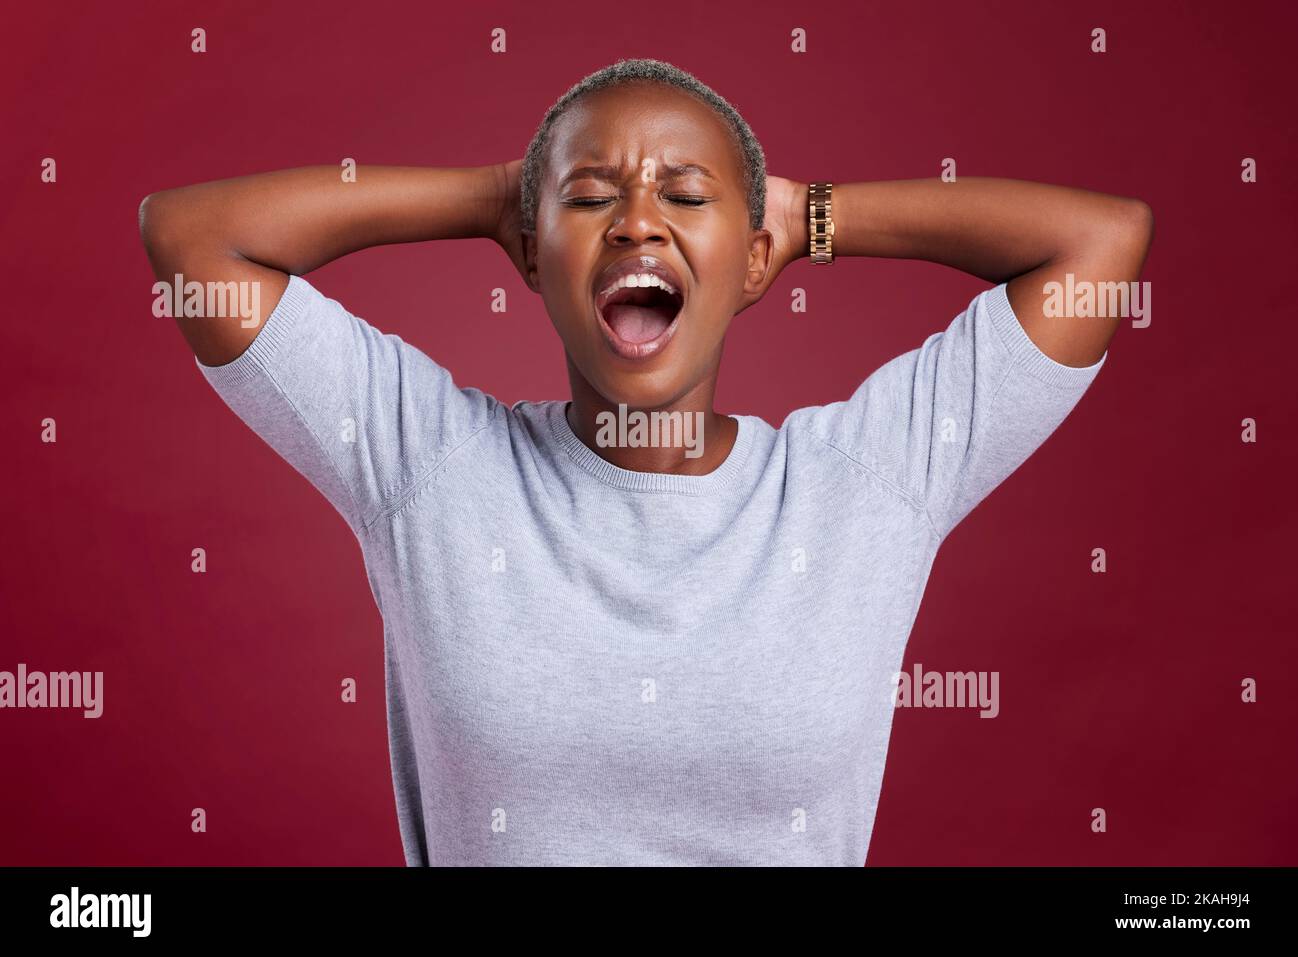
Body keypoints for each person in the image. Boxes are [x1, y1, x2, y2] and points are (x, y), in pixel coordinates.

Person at [137, 57, 1153, 866]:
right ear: (532, 253)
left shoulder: (862, 481)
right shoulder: (434, 465)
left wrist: (808, 218)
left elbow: (1098, 245)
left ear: (754, 262)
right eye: (590, 199)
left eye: (684, 195)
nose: (635, 220)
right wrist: (501, 196)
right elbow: (195, 240)